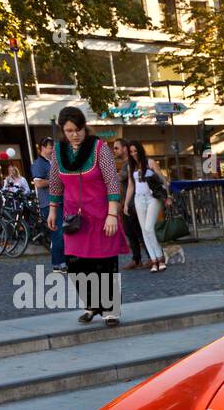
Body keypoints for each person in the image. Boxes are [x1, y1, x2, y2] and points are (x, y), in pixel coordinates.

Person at [46, 106, 127, 326]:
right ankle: (91, 305)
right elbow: (55, 183)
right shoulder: (58, 152)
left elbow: (112, 180)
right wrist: (53, 210)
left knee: (104, 262)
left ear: (84, 127)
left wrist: (112, 214)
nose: (75, 134)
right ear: (63, 130)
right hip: (74, 218)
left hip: (101, 213)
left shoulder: (99, 147)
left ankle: (110, 310)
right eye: (69, 130)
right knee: (76, 263)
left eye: (78, 129)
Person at [124, 141, 168, 273]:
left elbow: (163, 180)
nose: (133, 154)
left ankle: (160, 258)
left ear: (140, 151)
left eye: (135, 151)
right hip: (138, 199)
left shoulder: (150, 162)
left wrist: (166, 195)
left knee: (149, 228)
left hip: (152, 197)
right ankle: (154, 261)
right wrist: (126, 203)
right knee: (144, 231)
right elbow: (131, 186)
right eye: (131, 152)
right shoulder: (130, 166)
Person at [110, 139, 145, 270]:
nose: (114, 151)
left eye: (116, 148)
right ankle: (136, 259)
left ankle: (154, 258)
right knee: (130, 232)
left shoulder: (129, 163)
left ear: (124, 148)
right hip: (126, 203)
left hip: (133, 202)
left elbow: (120, 178)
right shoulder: (125, 164)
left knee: (139, 231)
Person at [32, 137, 65, 272]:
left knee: (62, 233)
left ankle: (60, 262)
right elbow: (38, 183)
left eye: (53, 147)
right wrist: (57, 181)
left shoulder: (52, 162)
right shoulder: (39, 163)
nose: (52, 150)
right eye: (50, 147)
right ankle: (59, 263)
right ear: (42, 148)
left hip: (59, 200)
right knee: (57, 233)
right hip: (48, 202)